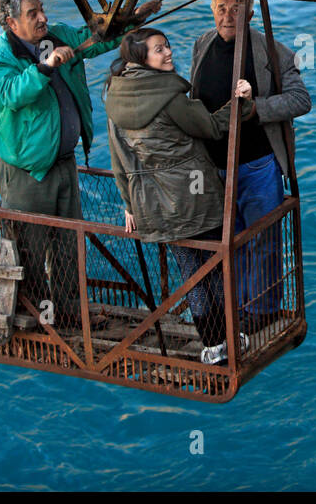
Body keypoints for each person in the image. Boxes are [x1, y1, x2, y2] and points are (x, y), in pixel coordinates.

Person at [0, 0, 160, 330]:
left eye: (42, 9)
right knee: (30, 248)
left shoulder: (57, 36)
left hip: (63, 161)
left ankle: (68, 310)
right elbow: (13, 93)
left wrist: (131, 24)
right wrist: (45, 67)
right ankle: (34, 316)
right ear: (11, 22)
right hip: (27, 172)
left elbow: (96, 41)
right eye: (33, 13)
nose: (43, 18)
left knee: (68, 245)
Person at [105, 26, 256, 365]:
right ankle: (231, 337)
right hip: (194, 194)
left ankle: (212, 344)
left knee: (192, 272)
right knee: (214, 267)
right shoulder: (168, 96)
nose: (168, 52)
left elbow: (120, 158)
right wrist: (240, 104)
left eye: (167, 46)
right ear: (142, 57)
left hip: (154, 204)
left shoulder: (115, 95)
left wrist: (129, 204)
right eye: (159, 49)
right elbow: (213, 128)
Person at [190, 0, 311, 333]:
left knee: (261, 239)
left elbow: (300, 100)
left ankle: (262, 310)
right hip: (214, 167)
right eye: (221, 9)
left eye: (235, 8)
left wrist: (257, 107)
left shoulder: (273, 52)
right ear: (212, 11)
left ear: (251, 12)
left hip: (258, 163)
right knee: (229, 239)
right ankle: (237, 307)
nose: (227, 16)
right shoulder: (201, 45)